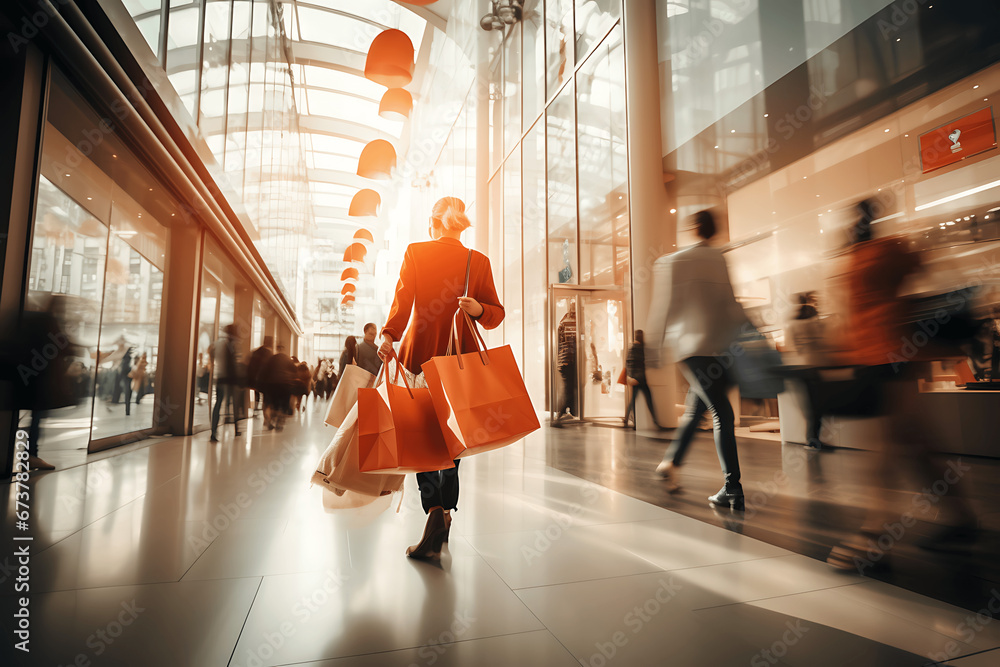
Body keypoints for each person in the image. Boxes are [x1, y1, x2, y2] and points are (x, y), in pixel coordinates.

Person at [825, 200, 977, 568]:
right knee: (915, 444)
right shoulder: (885, 251)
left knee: (887, 447)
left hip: (887, 354)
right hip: (889, 353)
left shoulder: (864, 255)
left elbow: (851, 312)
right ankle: (962, 520)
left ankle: (875, 533)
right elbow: (930, 270)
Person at [379, 196, 504, 560]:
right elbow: (495, 315)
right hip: (460, 364)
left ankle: (434, 511)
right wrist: (478, 309)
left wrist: (388, 335)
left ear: (433, 222)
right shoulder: (477, 261)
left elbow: (403, 302)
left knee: (422, 438)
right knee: (453, 440)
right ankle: (445, 513)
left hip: (419, 359)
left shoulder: (416, 252)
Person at [646, 209, 748, 508]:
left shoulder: (674, 262)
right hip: (719, 349)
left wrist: (654, 350)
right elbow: (730, 303)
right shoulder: (719, 259)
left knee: (696, 409)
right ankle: (732, 486)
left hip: (691, 351)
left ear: (693, 228)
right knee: (722, 413)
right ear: (714, 229)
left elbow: (664, 308)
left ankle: (671, 464)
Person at [210, 324, 241, 442]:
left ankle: (213, 431)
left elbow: (212, 354)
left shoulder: (217, 343)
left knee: (218, 404)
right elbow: (232, 364)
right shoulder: (231, 345)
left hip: (220, 377)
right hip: (229, 379)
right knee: (234, 404)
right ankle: (236, 429)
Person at [625, 330, 661, 429]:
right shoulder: (640, 348)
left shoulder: (632, 348)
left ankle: (631, 422)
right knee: (649, 401)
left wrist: (630, 376)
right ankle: (655, 422)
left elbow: (628, 363)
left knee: (633, 401)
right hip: (641, 379)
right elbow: (640, 363)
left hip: (635, 379)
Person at [260, 343, 296, 431]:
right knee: (284, 405)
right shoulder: (287, 359)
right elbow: (294, 371)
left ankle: (270, 420)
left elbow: (265, 371)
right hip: (285, 384)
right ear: (283, 349)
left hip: (273, 384)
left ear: (277, 349)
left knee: (273, 404)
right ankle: (279, 422)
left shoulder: (272, 358)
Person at [553, 306, 577, 425]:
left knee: (570, 388)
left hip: (564, 360)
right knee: (569, 389)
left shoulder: (563, 322)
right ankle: (561, 413)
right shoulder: (572, 323)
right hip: (569, 360)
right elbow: (572, 343)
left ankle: (571, 411)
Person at [247, 336, 273, 416]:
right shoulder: (269, 353)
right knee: (265, 395)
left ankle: (255, 408)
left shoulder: (256, 351)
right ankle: (264, 412)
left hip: (255, 377)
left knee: (257, 393)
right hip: (264, 378)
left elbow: (250, 365)